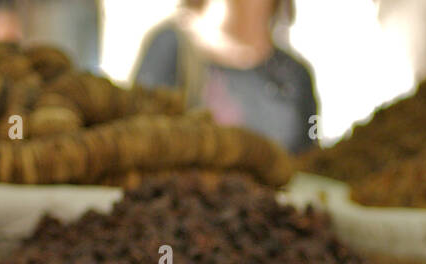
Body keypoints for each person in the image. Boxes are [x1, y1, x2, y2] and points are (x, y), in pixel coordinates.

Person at [135, 1, 317, 154]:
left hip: (280, 195)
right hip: (181, 192)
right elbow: (140, 138)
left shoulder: (295, 75)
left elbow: (310, 156)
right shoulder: (173, 47)